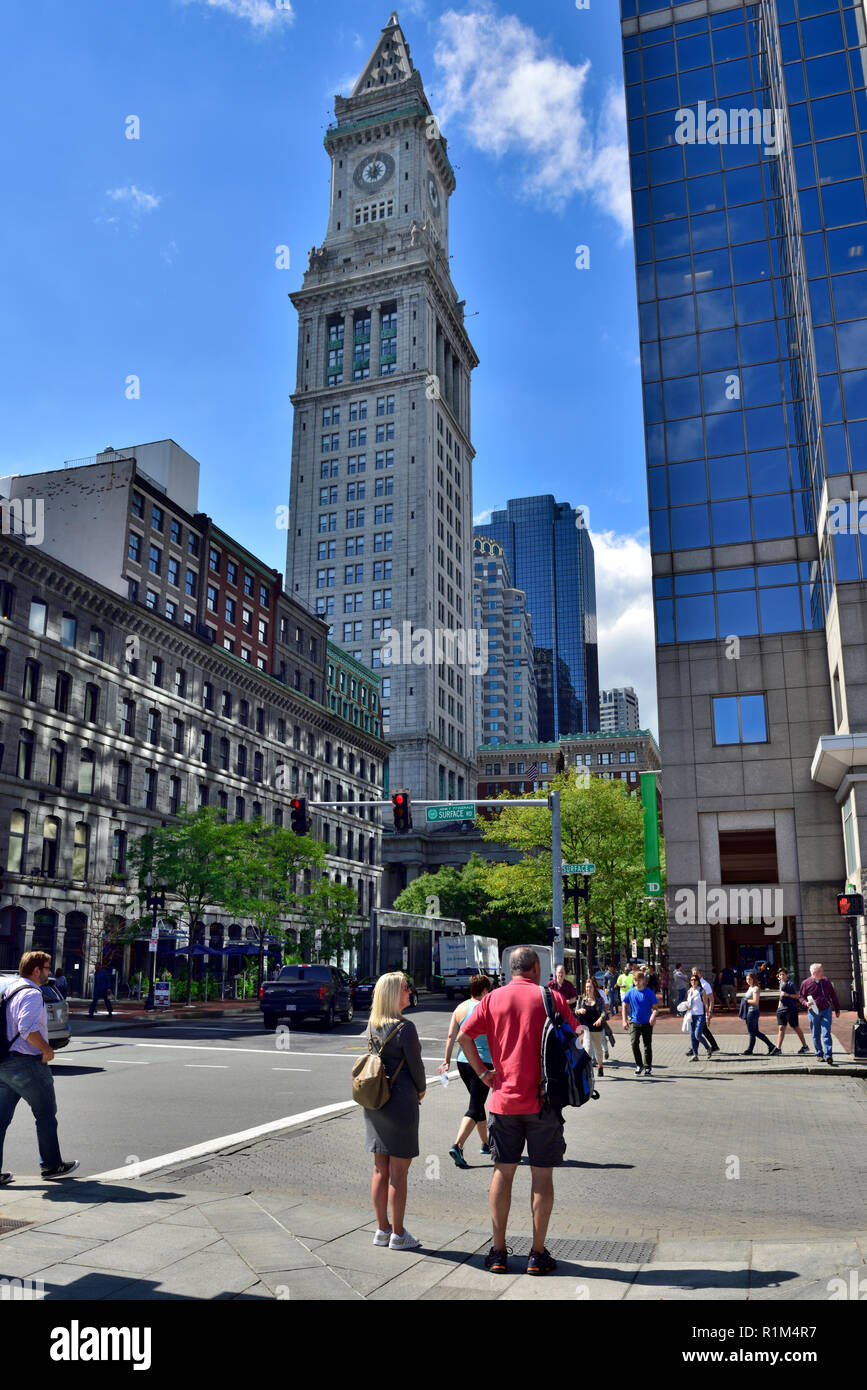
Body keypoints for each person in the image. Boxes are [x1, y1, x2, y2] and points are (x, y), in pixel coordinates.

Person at [457, 946, 580, 1277]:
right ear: (536, 968)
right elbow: (577, 1034)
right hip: (544, 1102)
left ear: (511, 970)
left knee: (503, 1171)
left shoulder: (492, 999)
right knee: (542, 1176)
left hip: (502, 1102)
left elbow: (463, 1036)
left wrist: (484, 1073)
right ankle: (537, 1255)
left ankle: (498, 1252)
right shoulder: (550, 997)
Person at [0, 952, 79, 1185]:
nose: (49, 972)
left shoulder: (11, 990)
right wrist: (46, 1049)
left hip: (5, 1062)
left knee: (1, 1120)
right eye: (47, 968)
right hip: (28, 1063)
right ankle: (51, 1165)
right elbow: (27, 1028)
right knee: (45, 1114)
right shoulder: (33, 994)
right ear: (36, 970)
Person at [364, 972, 427, 1250]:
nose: (410, 992)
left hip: (376, 1101)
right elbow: (417, 1068)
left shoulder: (372, 1025)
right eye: (404, 988)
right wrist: (421, 1090)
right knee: (399, 1172)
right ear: (392, 994)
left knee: (380, 1169)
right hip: (401, 1102)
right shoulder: (405, 1028)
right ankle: (399, 1235)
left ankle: (382, 1229)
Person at [439, 974, 493, 1168]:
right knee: (475, 1106)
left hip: (462, 1062)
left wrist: (446, 1061)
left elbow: (450, 1036)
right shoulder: (485, 1007)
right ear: (485, 990)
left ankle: (486, 1144)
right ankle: (458, 1145)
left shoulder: (460, 1008)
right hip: (482, 1062)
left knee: (477, 1103)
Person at [799, 963, 841, 1065]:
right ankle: (819, 1054)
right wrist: (806, 1003)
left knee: (826, 1032)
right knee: (816, 1033)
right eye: (821, 971)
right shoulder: (806, 983)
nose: (823, 973)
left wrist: (837, 1008)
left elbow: (833, 995)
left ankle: (828, 1055)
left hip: (826, 1010)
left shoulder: (826, 981)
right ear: (814, 973)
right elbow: (801, 997)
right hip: (813, 1012)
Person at [621, 969, 658, 1076]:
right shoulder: (630, 992)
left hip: (647, 1022)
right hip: (634, 1022)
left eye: (639, 980)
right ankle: (639, 1064)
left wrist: (653, 1016)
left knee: (647, 1045)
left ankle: (648, 1067)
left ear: (643, 981)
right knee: (634, 1043)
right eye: (635, 980)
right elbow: (624, 1005)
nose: (637, 982)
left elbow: (655, 1008)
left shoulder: (649, 993)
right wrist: (624, 1020)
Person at [576, 975, 608, 1077]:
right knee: (588, 1048)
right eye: (587, 987)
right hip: (585, 1028)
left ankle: (600, 1066)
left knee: (598, 1050)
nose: (588, 989)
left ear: (594, 988)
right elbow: (575, 1012)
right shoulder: (581, 1000)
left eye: (590, 987)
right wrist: (579, 1010)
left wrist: (600, 1019)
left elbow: (604, 1012)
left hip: (597, 1028)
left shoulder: (599, 1000)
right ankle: (588, 1069)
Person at [684, 968, 720, 1054]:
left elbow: (711, 999)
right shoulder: (691, 988)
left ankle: (701, 1049)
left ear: (700, 974)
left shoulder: (705, 985)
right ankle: (712, 1046)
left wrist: (709, 1013)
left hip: (702, 1012)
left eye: (696, 974)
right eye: (693, 974)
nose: (695, 976)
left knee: (698, 1033)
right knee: (701, 1031)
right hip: (694, 1013)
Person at [774, 967, 808, 1055]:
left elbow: (798, 996)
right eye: (780, 975)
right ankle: (778, 1048)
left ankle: (805, 1046)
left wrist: (787, 995)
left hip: (791, 1009)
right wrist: (778, 1008)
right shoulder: (780, 983)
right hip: (782, 1010)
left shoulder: (791, 983)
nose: (781, 976)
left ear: (787, 975)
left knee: (795, 1027)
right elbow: (780, 996)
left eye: (783, 974)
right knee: (781, 1028)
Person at [741, 971, 775, 1055]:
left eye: (750, 979)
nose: (748, 981)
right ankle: (751, 1050)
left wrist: (746, 1000)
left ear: (753, 979)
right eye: (747, 979)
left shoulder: (755, 988)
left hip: (753, 1012)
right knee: (753, 1031)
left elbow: (755, 1001)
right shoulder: (750, 988)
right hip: (750, 1012)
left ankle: (770, 1046)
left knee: (753, 1032)